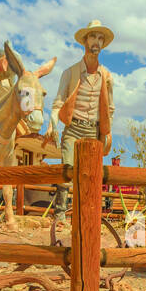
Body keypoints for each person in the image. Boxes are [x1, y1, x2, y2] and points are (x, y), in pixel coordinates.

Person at [50, 20, 114, 230]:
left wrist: (107, 131)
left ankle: (87, 216)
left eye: (100, 38)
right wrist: (52, 123)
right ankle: (60, 216)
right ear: (85, 41)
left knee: (91, 176)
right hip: (73, 128)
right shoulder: (70, 72)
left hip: (94, 130)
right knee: (67, 170)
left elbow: (110, 107)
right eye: (93, 37)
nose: (97, 41)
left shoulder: (106, 76)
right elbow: (59, 101)